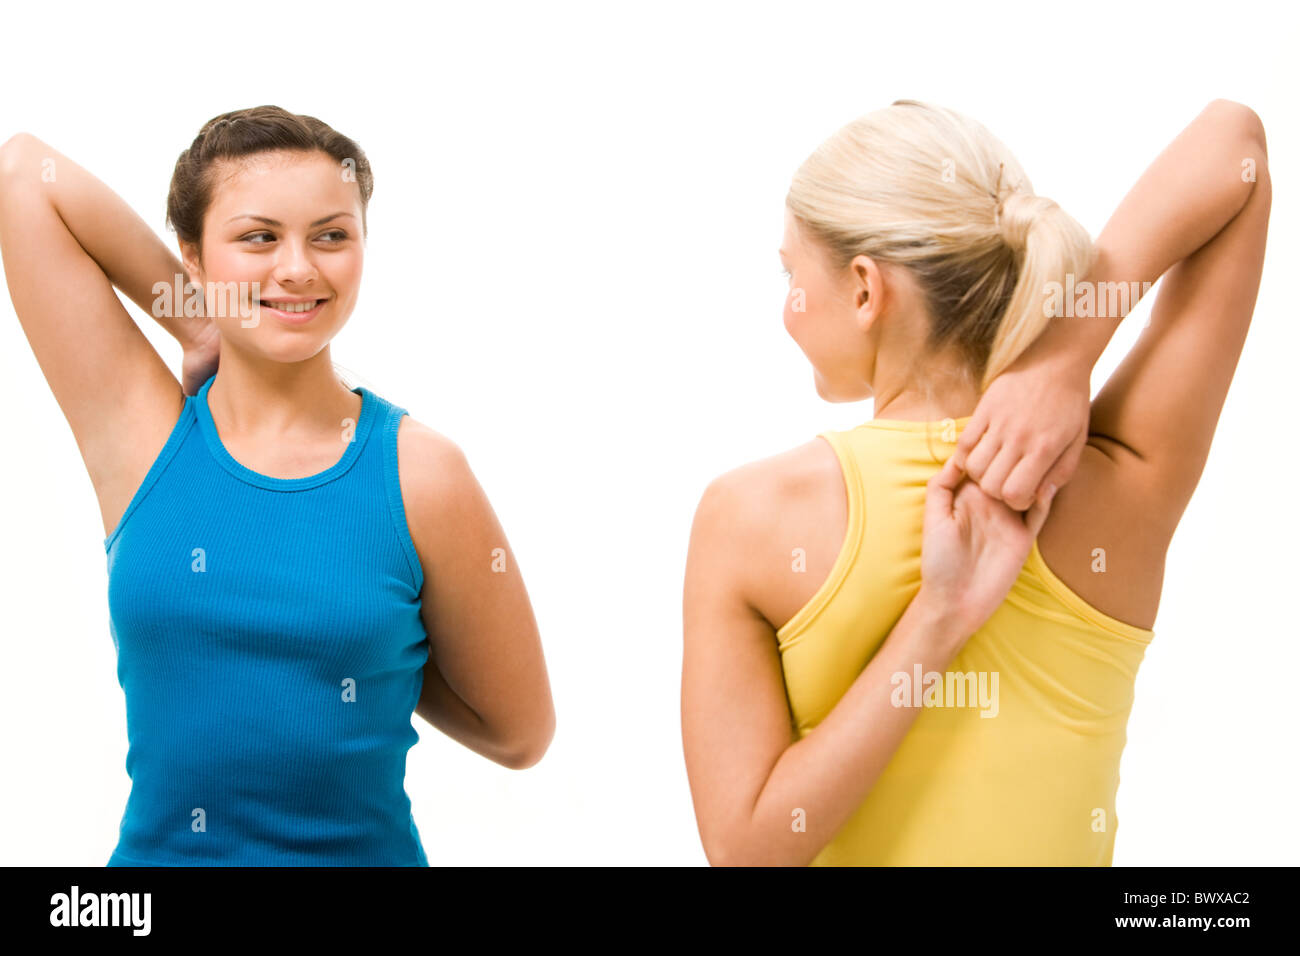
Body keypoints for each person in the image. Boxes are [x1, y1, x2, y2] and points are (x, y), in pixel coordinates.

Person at [681, 99, 1270, 865]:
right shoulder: (1118, 476)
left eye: (792, 273)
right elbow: (1236, 148)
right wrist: (1070, 352)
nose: (786, 309)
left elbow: (750, 852)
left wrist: (938, 621)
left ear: (865, 290)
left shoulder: (751, 518)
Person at [0, 106, 555, 866]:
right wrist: (195, 323)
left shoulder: (422, 473)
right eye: (259, 237)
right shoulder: (145, 440)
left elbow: (521, 733)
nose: (298, 267)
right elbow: (25, 172)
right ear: (192, 256)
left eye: (332, 234)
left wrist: (373, 656)